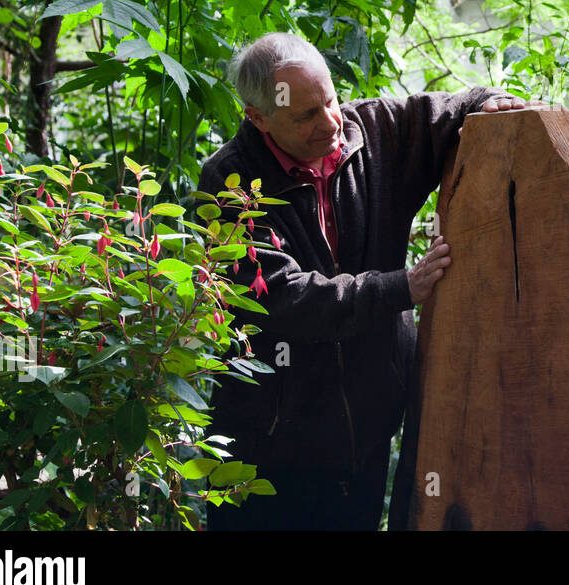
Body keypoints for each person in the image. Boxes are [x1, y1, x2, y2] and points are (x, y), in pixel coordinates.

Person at [200, 31, 528, 530]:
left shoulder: (372, 131)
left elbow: (444, 111)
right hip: (268, 448)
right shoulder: (229, 184)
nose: (329, 122)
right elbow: (281, 297)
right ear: (257, 117)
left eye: (329, 101)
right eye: (305, 115)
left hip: (364, 440)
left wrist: (488, 102)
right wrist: (399, 288)